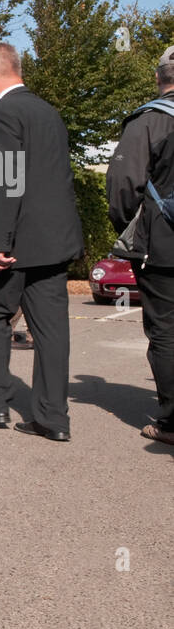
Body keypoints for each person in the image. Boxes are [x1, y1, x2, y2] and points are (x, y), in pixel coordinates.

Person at [0, 41, 83, 441]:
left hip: (15, 245)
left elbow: (4, 182)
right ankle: (52, 419)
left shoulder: (1, 113)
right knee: (52, 330)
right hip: (54, 242)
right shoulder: (49, 112)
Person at [107, 44, 174, 445]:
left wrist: (129, 229)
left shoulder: (149, 121)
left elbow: (121, 187)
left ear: (158, 77)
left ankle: (170, 421)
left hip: (162, 245)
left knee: (165, 329)